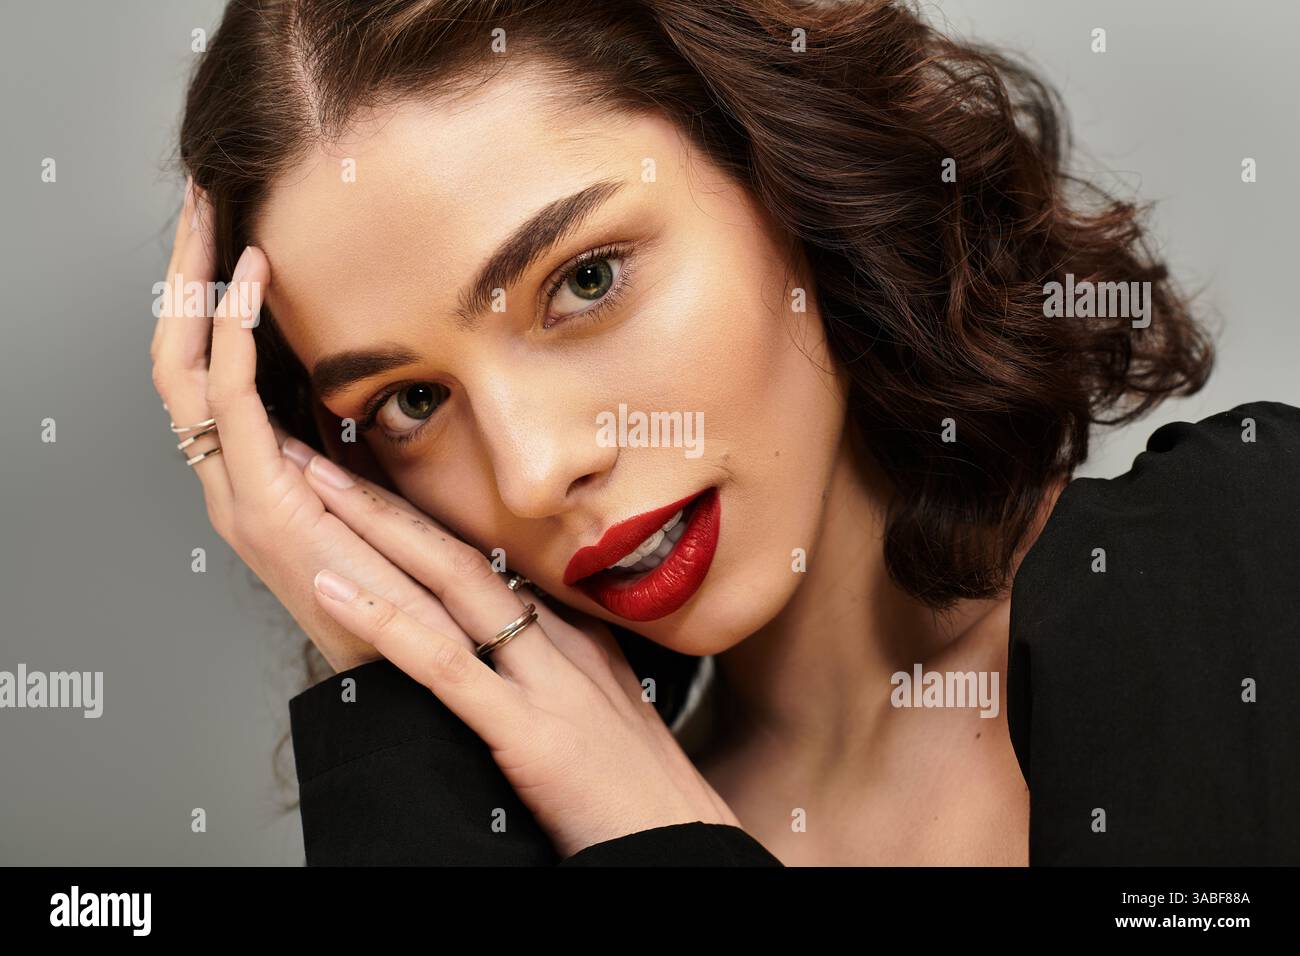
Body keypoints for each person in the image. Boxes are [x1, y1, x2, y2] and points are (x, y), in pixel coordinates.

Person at [150, 0, 1299, 865]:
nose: (536, 472)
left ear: (783, 169)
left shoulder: (1244, 565)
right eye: (409, 402)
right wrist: (390, 653)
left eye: (585, 279)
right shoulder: (516, 836)